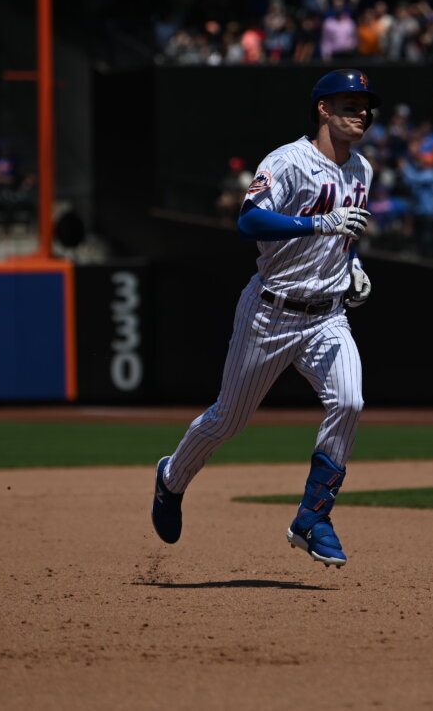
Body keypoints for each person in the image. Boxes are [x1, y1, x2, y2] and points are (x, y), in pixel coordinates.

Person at [152, 69, 378, 569]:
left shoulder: (362, 170)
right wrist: (317, 223)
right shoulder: (288, 161)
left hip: (327, 316)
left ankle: (312, 518)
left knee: (350, 400)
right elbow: (249, 220)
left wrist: (353, 265)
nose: (361, 112)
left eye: (366, 105)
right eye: (350, 103)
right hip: (270, 313)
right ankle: (171, 479)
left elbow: (345, 237)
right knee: (227, 420)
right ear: (322, 108)